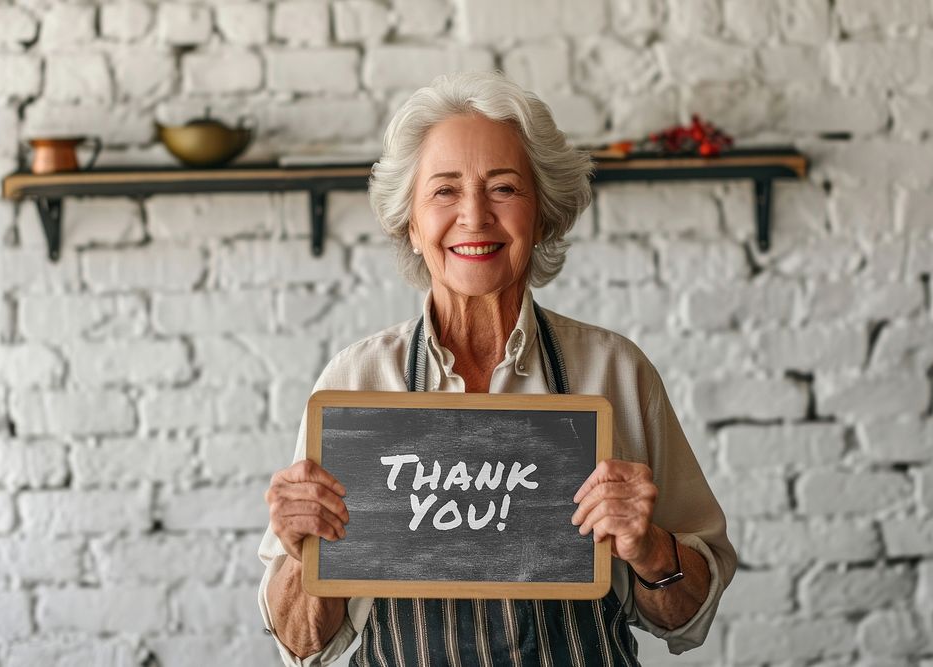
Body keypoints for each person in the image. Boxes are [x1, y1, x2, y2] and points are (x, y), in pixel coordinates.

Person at [258, 71, 736, 666]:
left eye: (504, 188)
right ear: (411, 223)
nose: (475, 216)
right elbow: (303, 644)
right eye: (444, 191)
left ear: (542, 215)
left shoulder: (615, 372)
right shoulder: (356, 384)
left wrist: (652, 550)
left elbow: (685, 618)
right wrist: (301, 547)